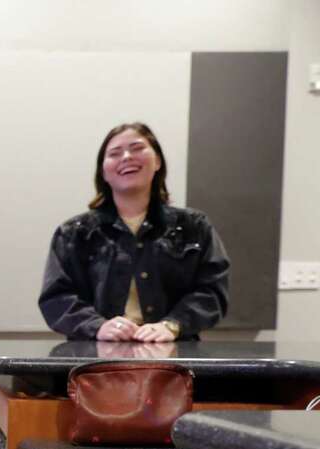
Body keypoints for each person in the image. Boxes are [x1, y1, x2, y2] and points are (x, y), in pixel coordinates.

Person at [38, 121, 230, 342]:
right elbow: (56, 298)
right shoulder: (74, 233)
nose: (127, 157)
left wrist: (172, 325)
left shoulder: (194, 226)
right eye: (115, 153)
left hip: (174, 355)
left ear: (157, 161)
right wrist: (97, 326)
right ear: (104, 172)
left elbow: (212, 292)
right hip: (94, 356)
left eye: (137, 148)